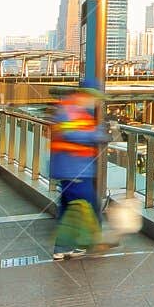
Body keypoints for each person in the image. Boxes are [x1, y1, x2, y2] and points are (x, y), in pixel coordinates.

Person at [48, 87, 106, 260]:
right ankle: (87, 243)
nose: (95, 102)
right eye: (94, 98)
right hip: (75, 170)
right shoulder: (70, 111)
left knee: (68, 208)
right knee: (88, 206)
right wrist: (96, 134)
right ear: (85, 95)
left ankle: (62, 247)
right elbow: (70, 134)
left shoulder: (76, 111)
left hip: (70, 169)